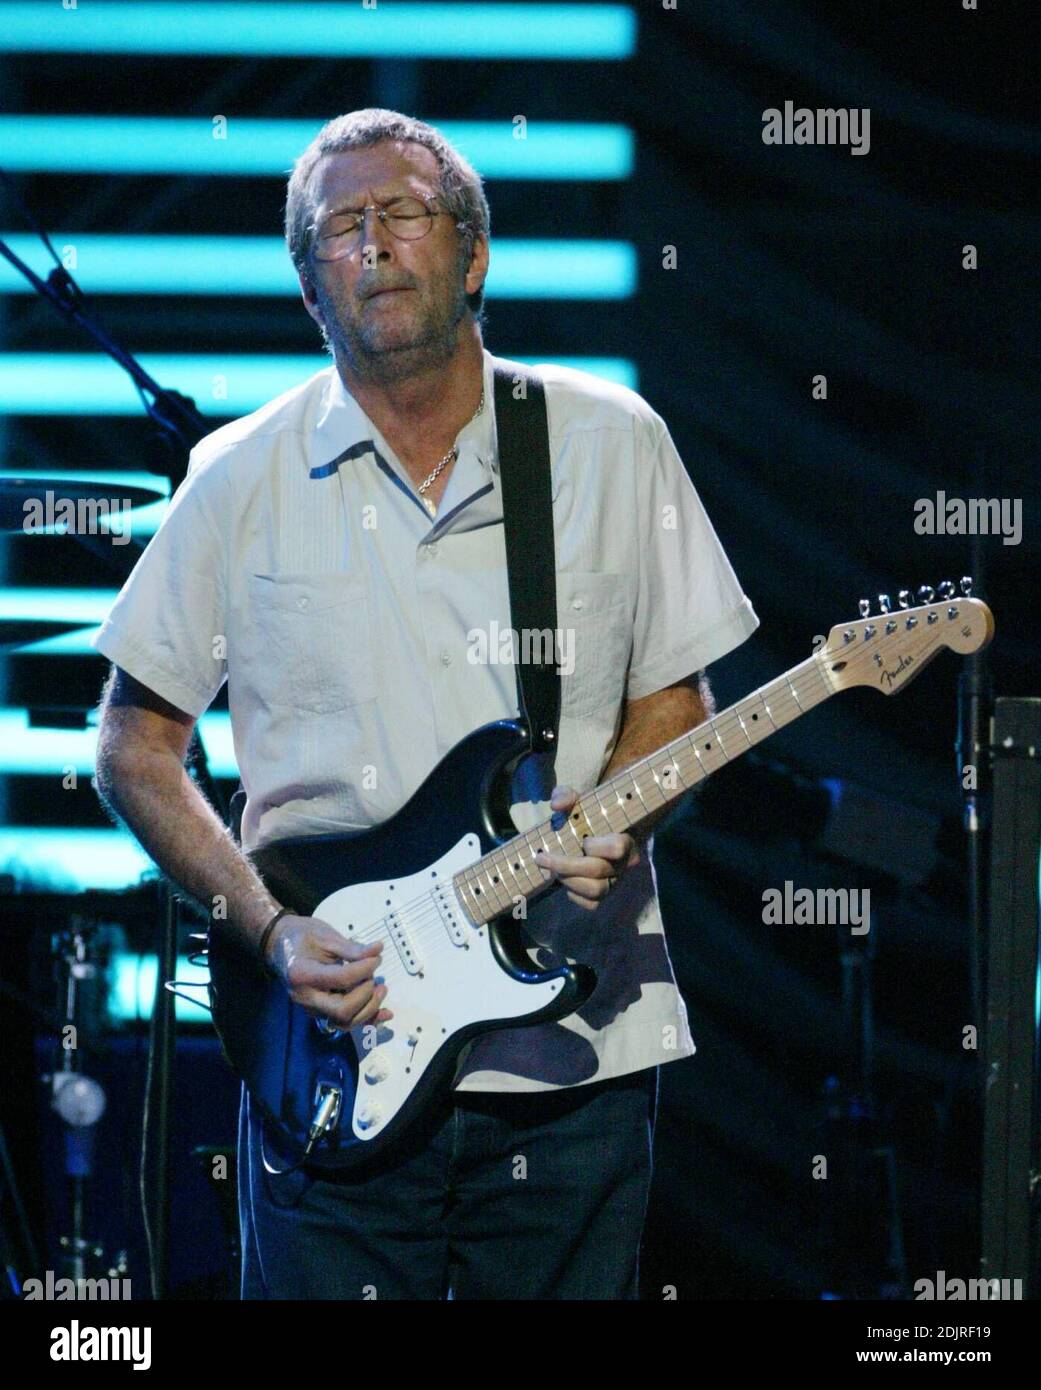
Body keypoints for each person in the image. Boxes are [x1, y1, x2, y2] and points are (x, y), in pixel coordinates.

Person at [91, 109, 759, 1300]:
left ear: (474, 254)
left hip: (575, 1060)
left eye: (401, 211)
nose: (373, 242)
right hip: (329, 1055)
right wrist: (266, 926)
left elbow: (680, 699)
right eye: (338, 227)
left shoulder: (610, 443)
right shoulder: (237, 477)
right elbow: (135, 748)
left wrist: (625, 819)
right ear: (310, 288)